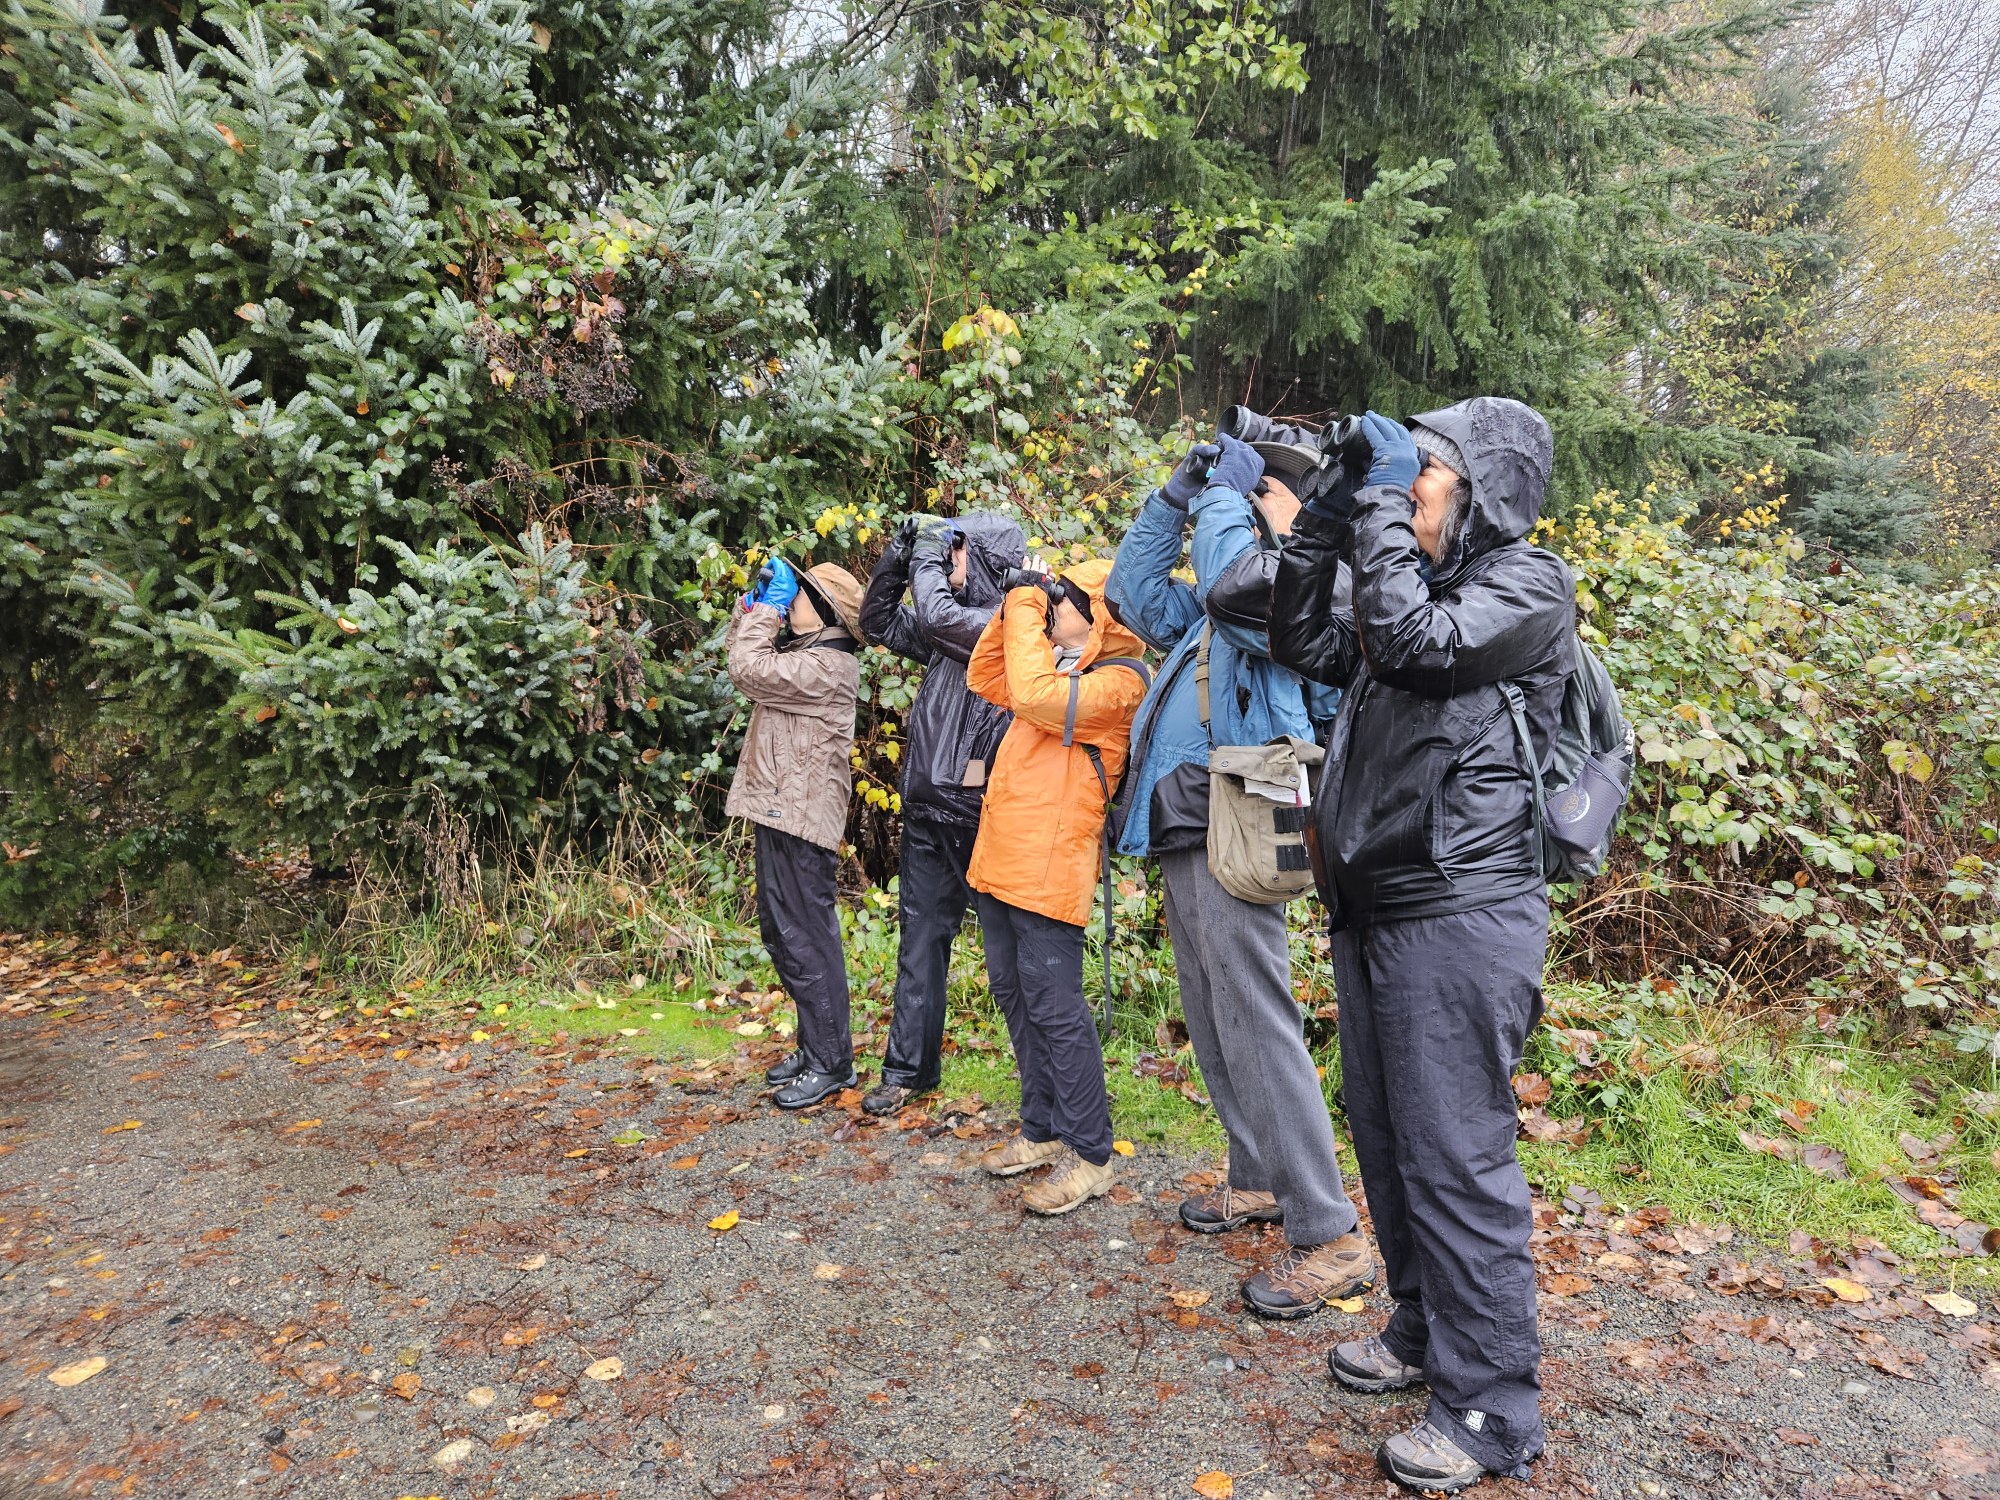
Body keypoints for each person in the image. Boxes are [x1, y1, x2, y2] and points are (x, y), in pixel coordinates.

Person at [1269, 400, 1574, 1493]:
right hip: (1381, 904)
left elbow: (1410, 643)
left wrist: (1383, 514)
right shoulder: (1414, 581)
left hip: (1461, 909)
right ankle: (1419, 1329)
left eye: (1424, 477)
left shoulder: (1526, 588)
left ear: (1478, 490)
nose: (1406, 497)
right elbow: (1301, 635)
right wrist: (1321, 517)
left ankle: (1490, 1407)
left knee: (1453, 1155)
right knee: (1389, 1139)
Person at [1104, 431, 1373, 1319]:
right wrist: (1176, 496)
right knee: (1216, 1013)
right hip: (1187, 815)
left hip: (1248, 815)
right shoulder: (1213, 614)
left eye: (1259, 488)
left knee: (1257, 1017)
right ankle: (1257, 1175)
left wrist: (1226, 502)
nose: (1242, 496)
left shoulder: (1305, 590)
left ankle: (1329, 1231)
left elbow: (1233, 582)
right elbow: (1133, 592)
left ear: (1289, 505)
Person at [963, 559, 1148, 1215]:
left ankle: (1091, 1152)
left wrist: (1021, 602)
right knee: (1018, 999)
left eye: (1060, 603)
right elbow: (986, 674)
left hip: (1047, 869)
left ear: (1098, 613)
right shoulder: (1062, 667)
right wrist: (1019, 602)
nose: (1049, 612)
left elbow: (1035, 698)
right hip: (1003, 861)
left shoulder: (1120, 683)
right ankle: (1042, 1131)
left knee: (1056, 1010)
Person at [856, 512, 1028, 1116]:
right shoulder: (948, 625)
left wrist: (929, 555)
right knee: (920, 944)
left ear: (983, 561)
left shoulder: (1005, 624)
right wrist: (901, 554)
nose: (949, 564)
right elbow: (875, 621)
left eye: (957, 554)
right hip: (930, 810)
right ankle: (908, 1072)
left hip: (982, 816)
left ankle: (1048, 1098)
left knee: (1014, 959)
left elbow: (938, 618)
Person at [725, 557, 868, 1111]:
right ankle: (816, 1048)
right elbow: (748, 657)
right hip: (782, 812)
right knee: (782, 934)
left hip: (803, 819)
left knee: (806, 937)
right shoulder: (804, 657)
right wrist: (751, 610)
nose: (791, 602)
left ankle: (834, 1062)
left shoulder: (829, 668)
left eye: (800, 593)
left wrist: (764, 612)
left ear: (826, 610)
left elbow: (747, 670)